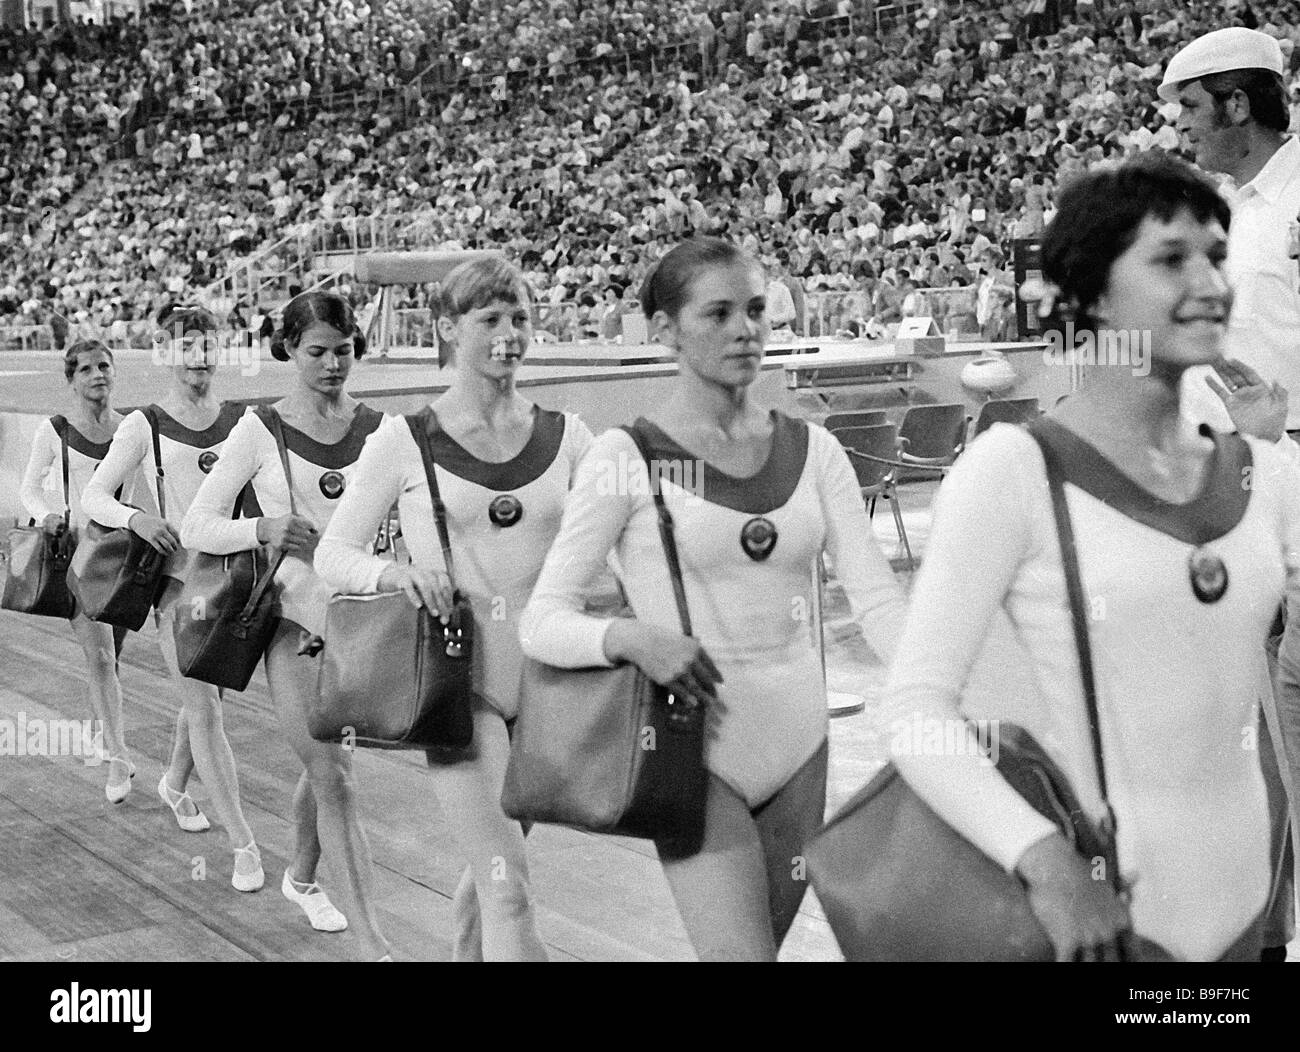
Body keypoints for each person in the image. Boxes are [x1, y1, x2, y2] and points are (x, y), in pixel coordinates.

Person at [883, 153, 1300, 962]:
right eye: (1171, 259)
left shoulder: (1262, 470)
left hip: (1251, 913)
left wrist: (1272, 443)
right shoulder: (1013, 472)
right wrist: (1039, 857)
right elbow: (915, 712)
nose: (1211, 284)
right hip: (1113, 921)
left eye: (1217, 257)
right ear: (1093, 294)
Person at [519, 237, 906, 961]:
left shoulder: (815, 450)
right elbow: (542, 620)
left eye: (756, 310)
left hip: (803, 744)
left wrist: (941, 688)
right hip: (694, 747)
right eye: (719, 313)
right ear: (665, 329)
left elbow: (878, 600)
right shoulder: (625, 457)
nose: (745, 329)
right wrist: (629, 639)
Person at [316, 256, 597, 961]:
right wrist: (395, 573)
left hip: (549, 686)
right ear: (447, 328)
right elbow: (333, 554)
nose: (509, 334)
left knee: (491, 874)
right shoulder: (405, 440)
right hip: (462, 688)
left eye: (520, 318)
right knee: (510, 889)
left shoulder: (570, 435)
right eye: (490, 318)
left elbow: (625, 543)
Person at [180, 292, 392, 959]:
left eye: (344, 350)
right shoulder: (258, 429)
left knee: (331, 767)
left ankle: (300, 877)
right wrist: (263, 527)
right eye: (317, 351)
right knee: (334, 777)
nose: (332, 364)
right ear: (289, 350)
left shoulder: (383, 429)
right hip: (293, 626)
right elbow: (196, 526)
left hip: (362, 623)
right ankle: (376, 947)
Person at [1162, 25, 1300, 961]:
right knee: (1261, 744)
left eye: (1188, 107)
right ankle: (1266, 943)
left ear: (1236, 104)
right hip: (1244, 493)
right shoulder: (1235, 210)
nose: (1179, 127)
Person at [81, 304, 265, 893]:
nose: (198, 357)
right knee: (205, 706)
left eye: (207, 345)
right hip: (178, 585)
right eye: (185, 346)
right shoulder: (146, 424)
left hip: (236, 581)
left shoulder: (244, 420)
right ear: (165, 352)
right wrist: (136, 518)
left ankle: (174, 784)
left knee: (210, 697)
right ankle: (244, 844)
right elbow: (95, 495)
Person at [19, 340, 136, 800]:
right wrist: (44, 514)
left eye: (104, 365)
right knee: (102, 657)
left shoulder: (132, 428)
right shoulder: (56, 430)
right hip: (80, 557)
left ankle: (107, 733)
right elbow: (30, 489)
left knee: (112, 657)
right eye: (85, 369)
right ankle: (118, 759)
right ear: (71, 380)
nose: (97, 374)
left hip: (125, 556)